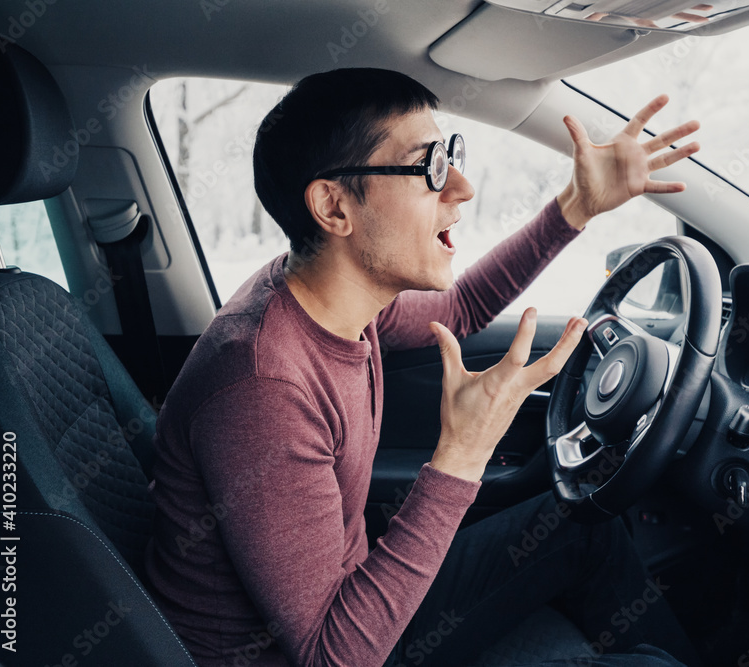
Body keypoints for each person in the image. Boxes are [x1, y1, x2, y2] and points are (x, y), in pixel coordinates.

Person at [144, 67, 701, 667]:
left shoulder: (335, 293)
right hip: (332, 647)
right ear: (333, 206)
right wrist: (461, 453)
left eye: (451, 155)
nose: (461, 187)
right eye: (429, 166)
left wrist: (576, 206)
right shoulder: (261, 387)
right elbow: (335, 657)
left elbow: (461, 306)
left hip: (357, 603)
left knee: (583, 526)